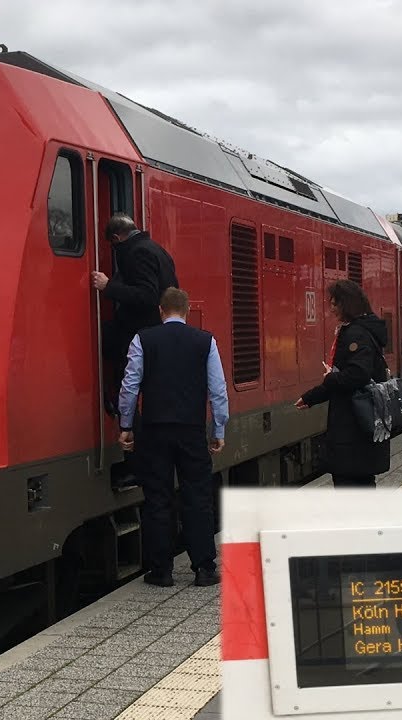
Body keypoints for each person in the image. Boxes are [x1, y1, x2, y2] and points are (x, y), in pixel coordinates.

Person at [117, 287, 226, 588]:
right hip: (191, 431)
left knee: (157, 498)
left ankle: (161, 571)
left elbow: (129, 386)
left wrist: (126, 424)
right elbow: (218, 390)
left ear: (161, 311)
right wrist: (218, 430)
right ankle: (204, 568)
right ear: (187, 311)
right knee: (198, 497)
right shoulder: (205, 341)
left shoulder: (143, 339)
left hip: (155, 431)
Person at [93, 213, 179, 487]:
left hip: (141, 338)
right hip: (158, 336)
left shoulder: (135, 253)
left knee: (127, 396)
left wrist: (109, 286)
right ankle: (156, 461)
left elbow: (148, 296)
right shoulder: (158, 250)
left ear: (116, 238)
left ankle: (139, 465)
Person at [294, 279, 390, 488]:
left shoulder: (356, 333)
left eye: (334, 304)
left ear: (347, 304)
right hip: (359, 426)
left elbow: (357, 374)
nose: (331, 309)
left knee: (350, 485)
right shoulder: (365, 329)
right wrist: (312, 397)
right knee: (361, 485)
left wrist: (330, 377)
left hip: (353, 428)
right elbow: (345, 377)